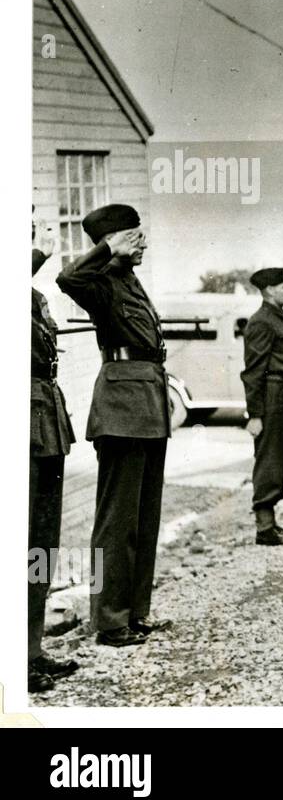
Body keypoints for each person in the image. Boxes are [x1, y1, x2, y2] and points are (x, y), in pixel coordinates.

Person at [56, 203, 172, 648]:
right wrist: (105, 248)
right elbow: (68, 279)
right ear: (115, 240)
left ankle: (134, 612)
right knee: (116, 520)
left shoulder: (128, 279)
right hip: (122, 405)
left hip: (147, 402)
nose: (143, 243)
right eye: (135, 236)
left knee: (144, 517)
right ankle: (109, 620)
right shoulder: (101, 281)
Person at [30, 229, 78, 691]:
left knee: (41, 544)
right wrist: (37, 254)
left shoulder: (33, 296)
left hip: (44, 421)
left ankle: (31, 651)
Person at [239, 267, 283, 546]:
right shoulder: (262, 321)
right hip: (271, 392)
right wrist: (255, 414)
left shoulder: (277, 316)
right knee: (270, 459)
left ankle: (271, 523)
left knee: (281, 458)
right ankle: (264, 527)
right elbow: (253, 371)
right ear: (269, 290)